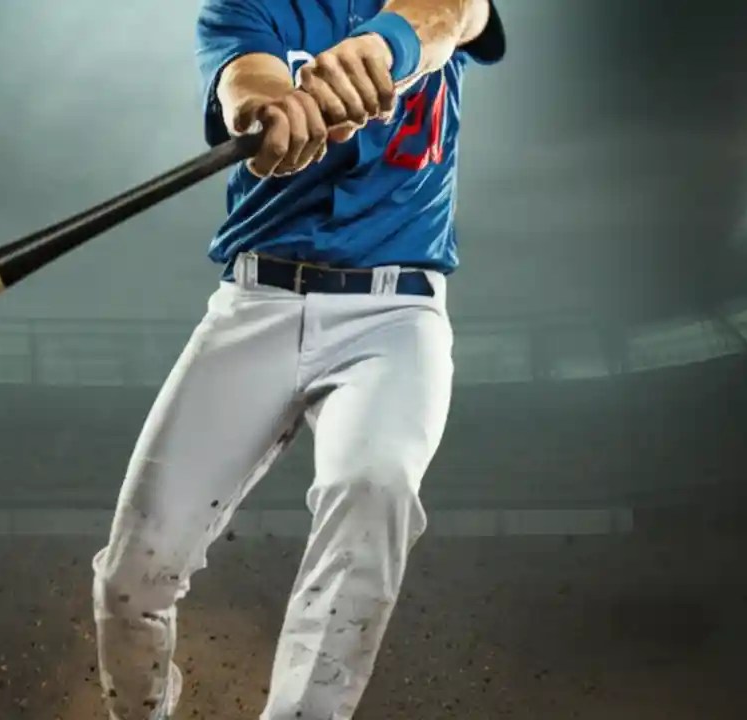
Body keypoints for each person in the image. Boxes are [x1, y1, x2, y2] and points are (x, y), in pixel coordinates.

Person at [90, 1, 506, 717]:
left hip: (395, 315)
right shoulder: (242, 8)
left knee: (375, 483)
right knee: (131, 579)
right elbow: (244, 82)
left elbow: (452, 13)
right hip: (257, 305)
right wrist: (269, 109)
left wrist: (382, 47)